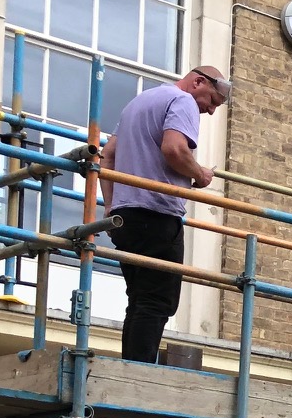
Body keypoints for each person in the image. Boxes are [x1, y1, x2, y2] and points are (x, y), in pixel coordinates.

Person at [98, 65, 230, 363]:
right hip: (156, 215)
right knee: (158, 300)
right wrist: (201, 174)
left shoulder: (140, 102)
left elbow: (107, 157)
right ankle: (139, 371)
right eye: (211, 101)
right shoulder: (182, 101)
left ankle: (133, 365)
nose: (209, 111)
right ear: (198, 82)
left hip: (125, 216)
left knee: (140, 299)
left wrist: (110, 206)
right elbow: (174, 149)